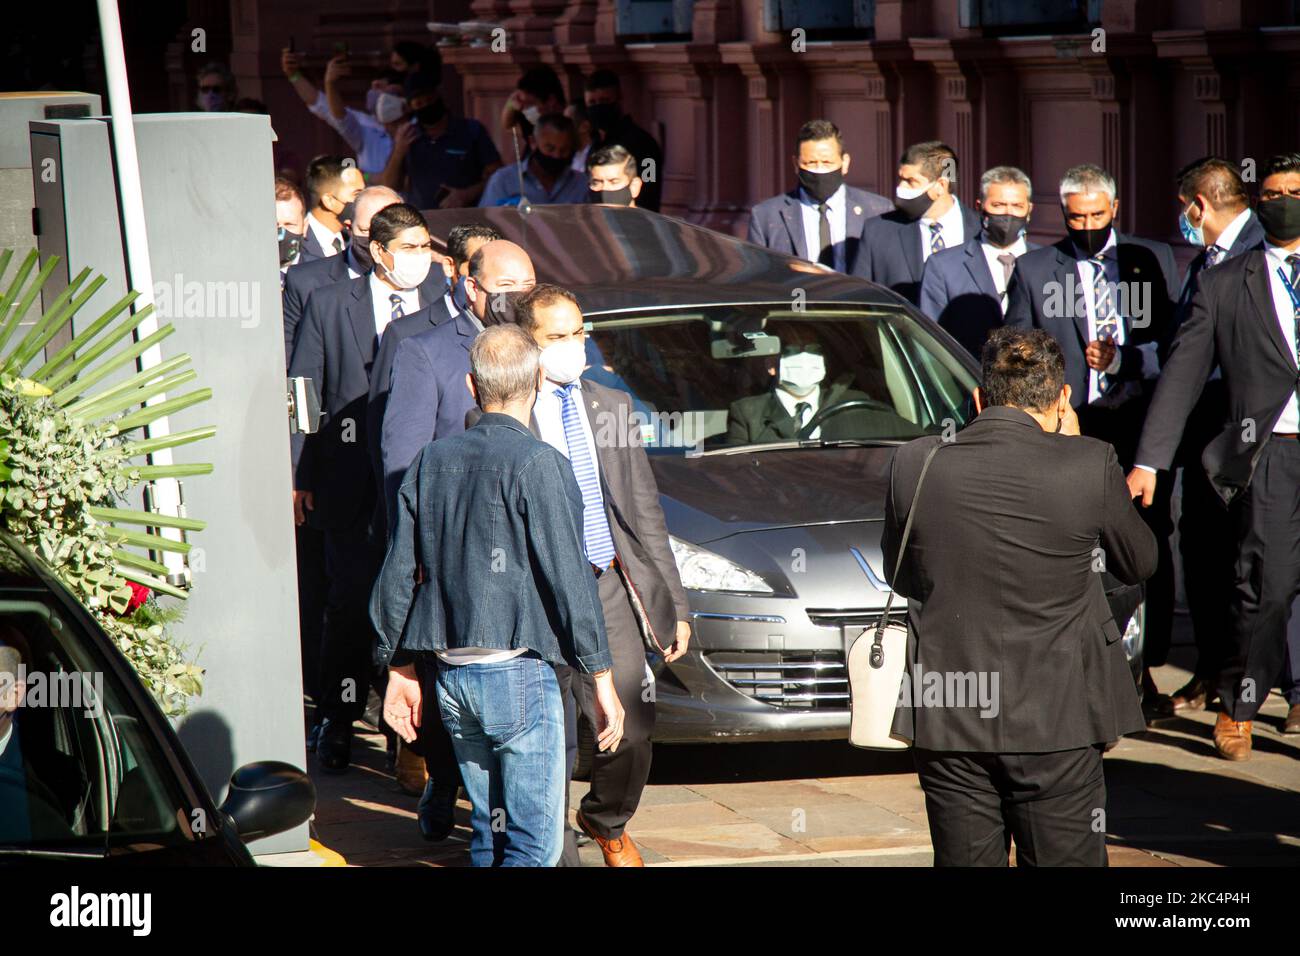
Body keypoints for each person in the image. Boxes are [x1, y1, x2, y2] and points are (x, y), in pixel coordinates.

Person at [884, 327, 1155, 866]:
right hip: (1057, 713)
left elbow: (900, 571)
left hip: (949, 706)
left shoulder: (917, 461)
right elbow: (1139, 562)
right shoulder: (1088, 461)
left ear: (978, 400)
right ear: (1062, 400)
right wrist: (1072, 445)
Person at [372, 323, 624, 867]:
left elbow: (397, 575)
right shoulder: (540, 464)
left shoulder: (430, 461)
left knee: (491, 835)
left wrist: (398, 668)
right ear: (537, 380)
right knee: (534, 845)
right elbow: (570, 579)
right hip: (518, 673)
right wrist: (601, 678)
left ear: (470, 385)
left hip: (453, 675)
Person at [1127, 153, 1300, 760]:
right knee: (1266, 586)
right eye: (1273, 192)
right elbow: (1181, 375)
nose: (1284, 201)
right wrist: (1149, 460)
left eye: (1295, 191)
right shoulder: (1225, 280)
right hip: (1273, 454)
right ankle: (1240, 704)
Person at [515, 283, 691, 867]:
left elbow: (644, 512)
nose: (574, 346)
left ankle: (606, 817)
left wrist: (675, 602)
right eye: (557, 337)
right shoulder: (505, 414)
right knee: (554, 739)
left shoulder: (610, 406)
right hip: (540, 594)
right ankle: (556, 848)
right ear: (527, 344)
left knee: (632, 728)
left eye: (579, 332)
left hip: (609, 582)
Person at [1006, 163, 1181, 717]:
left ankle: (1146, 669)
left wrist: (1126, 358)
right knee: (1072, 541)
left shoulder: (1150, 261)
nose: (1086, 226)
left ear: (1115, 210)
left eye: (1096, 216)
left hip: (1139, 424)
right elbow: (1016, 348)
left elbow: (1180, 348)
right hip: (1066, 426)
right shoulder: (1035, 269)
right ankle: (1075, 664)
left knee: (1145, 540)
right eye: (1075, 217)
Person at [288, 203, 447, 774]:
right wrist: (299, 474)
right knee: (350, 603)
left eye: (425, 247)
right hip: (348, 480)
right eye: (408, 248)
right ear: (378, 251)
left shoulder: (440, 302)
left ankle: (414, 739)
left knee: (418, 604)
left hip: (420, 481)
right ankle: (336, 716)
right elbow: (303, 393)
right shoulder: (331, 304)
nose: (420, 259)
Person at [1165, 157, 1267, 714]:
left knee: (1256, 560)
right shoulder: (1205, 260)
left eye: (1185, 209)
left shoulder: (1262, 250)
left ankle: (1266, 683)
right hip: (1203, 438)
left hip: (1249, 434)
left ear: (1198, 205)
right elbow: (1185, 346)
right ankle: (1209, 671)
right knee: (1203, 553)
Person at [919, 165, 1038, 359]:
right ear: (979, 206)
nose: (1008, 214)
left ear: (1029, 209)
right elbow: (931, 340)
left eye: (1017, 206)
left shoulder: (1050, 263)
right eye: (998, 205)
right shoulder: (943, 266)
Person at [746, 119, 891, 273]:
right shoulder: (766, 216)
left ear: (845, 162)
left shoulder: (878, 211)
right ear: (796, 164)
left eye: (827, 162)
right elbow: (758, 276)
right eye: (810, 163)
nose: (819, 170)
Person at [851, 141, 982, 304]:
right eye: (901, 179)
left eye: (911, 181)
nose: (900, 187)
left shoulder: (980, 230)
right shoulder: (878, 232)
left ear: (940, 186)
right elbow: (859, 298)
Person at [282, 184, 401, 364]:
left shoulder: (427, 280)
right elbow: (293, 363)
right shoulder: (307, 283)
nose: (377, 241)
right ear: (348, 227)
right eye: (367, 230)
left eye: (389, 232)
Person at [725, 328, 892, 444]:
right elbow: (737, 471)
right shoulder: (747, 412)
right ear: (771, 365)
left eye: (813, 350)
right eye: (792, 351)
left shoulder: (853, 404)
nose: (805, 358)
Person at [378, 68, 501, 210]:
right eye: (419, 103)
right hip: (422, 222)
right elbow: (389, 186)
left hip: (467, 217)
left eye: (429, 100)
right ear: (411, 107)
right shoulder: (408, 136)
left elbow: (496, 175)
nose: (426, 106)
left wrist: (466, 194)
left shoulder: (471, 130)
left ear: (439, 96)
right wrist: (399, 152)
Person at [280, 47, 400, 179]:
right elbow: (321, 105)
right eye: (372, 87)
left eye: (379, 87)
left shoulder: (417, 126)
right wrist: (295, 75)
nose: (374, 93)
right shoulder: (366, 126)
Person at [584, 69, 664, 212]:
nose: (598, 108)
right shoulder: (594, 144)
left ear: (618, 99)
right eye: (592, 102)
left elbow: (650, 186)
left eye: (604, 101)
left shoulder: (643, 144)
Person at [479, 113, 588, 207]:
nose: (557, 156)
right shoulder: (503, 181)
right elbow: (486, 224)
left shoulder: (581, 183)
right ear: (533, 142)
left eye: (564, 150)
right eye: (550, 149)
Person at [300, 155, 366, 264]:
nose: (363, 200)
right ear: (329, 201)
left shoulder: (356, 239)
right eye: (357, 194)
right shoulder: (299, 242)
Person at [499, 65, 567, 135]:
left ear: (551, 100)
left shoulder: (568, 123)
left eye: (530, 104)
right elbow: (507, 125)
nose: (526, 111)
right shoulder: (529, 117)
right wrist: (511, 101)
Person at [274, 176, 307, 283]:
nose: (281, 234)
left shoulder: (323, 274)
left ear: (305, 226)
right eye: (274, 225)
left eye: (289, 224)